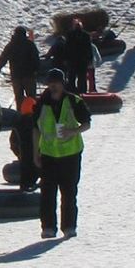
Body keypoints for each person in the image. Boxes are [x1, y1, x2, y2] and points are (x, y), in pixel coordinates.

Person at [32, 69, 91, 238]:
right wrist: (35, 152)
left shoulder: (73, 101)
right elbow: (35, 129)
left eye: (56, 83)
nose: (53, 86)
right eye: (50, 83)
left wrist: (72, 131)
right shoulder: (41, 103)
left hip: (71, 154)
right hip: (49, 154)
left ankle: (69, 227)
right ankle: (48, 228)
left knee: (69, 192)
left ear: (62, 83)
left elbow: (87, 123)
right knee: (47, 193)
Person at [0, 24, 42, 106]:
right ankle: (33, 115)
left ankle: (20, 115)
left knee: (19, 99)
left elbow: (3, 58)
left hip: (16, 76)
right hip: (29, 76)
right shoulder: (30, 44)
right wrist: (37, 70)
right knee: (31, 98)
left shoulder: (11, 45)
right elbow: (36, 59)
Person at [57, 18, 99, 95]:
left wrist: (65, 59)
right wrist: (89, 59)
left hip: (74, 61)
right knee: (80, 79)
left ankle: (73, 93)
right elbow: (88, 49)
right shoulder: (85, 35)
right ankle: (81, 93)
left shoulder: (70, 35)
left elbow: (67, 48)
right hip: (80, 61)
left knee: (74, 78)